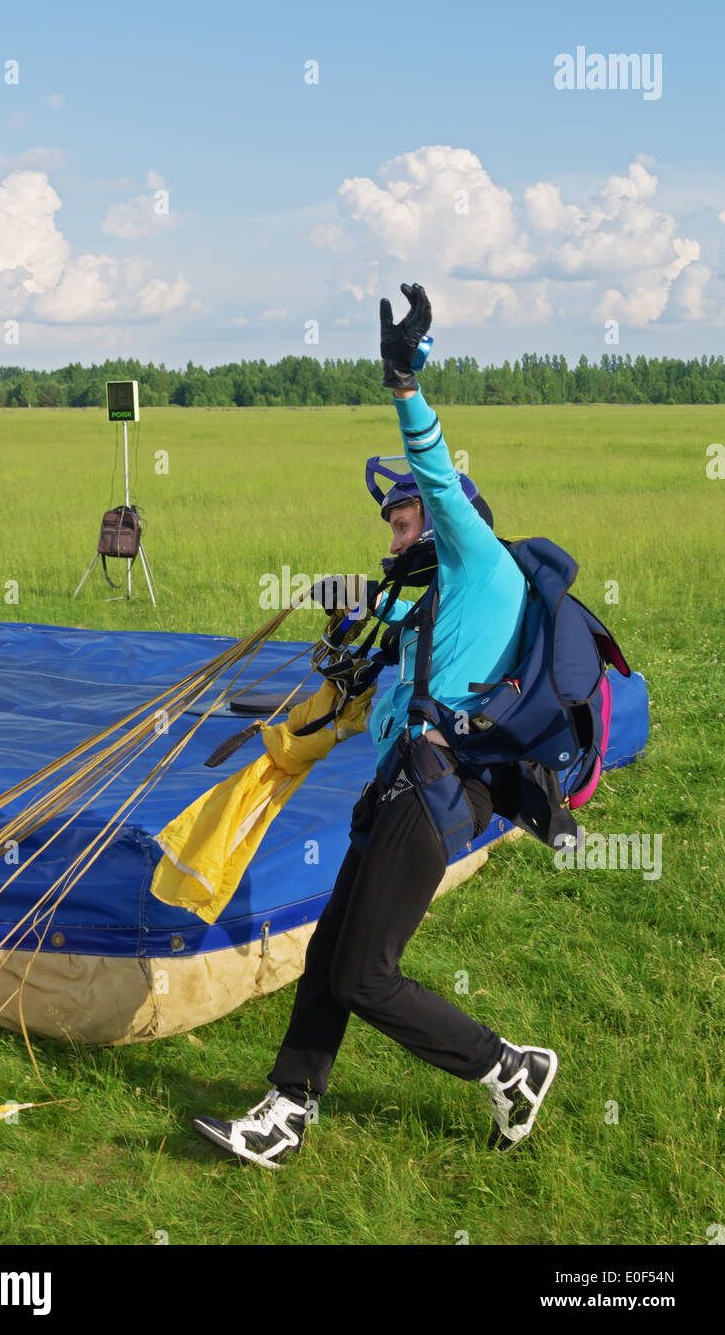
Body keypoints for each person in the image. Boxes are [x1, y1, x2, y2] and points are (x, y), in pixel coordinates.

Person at [192, 284, 558, 1170]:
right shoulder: (426, 607)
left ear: (438, 518)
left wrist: (404, 385)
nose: (392, 538)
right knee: (329, 958)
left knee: (364, 974)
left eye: (401, 521)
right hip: (399, 785)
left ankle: (508, 1066)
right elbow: (375, 686)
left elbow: (433, 471)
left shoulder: (479, 563)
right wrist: (346, 661)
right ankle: (285, 1114)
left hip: (437, 794)